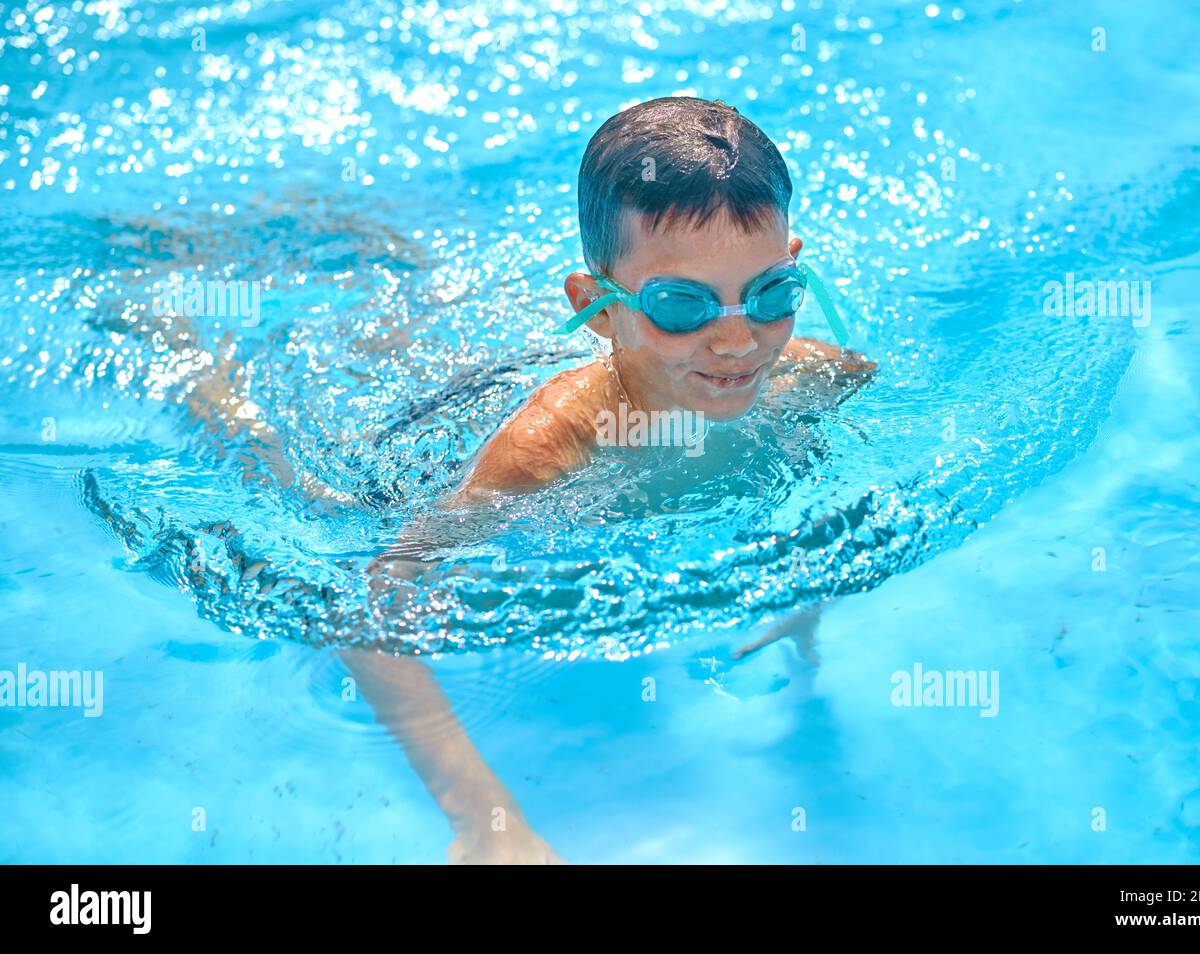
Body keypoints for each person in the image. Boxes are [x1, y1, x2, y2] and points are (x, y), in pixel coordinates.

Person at [151, 96, 876, 863]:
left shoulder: (818, 379)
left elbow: (820, 492)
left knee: (410, 313)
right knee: (278, 466)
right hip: (424, 429)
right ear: (597, 306)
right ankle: (181, 338)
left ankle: (365, 236)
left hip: (511, 374)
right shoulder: (544, 452)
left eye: (770, 294)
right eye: (679, 305)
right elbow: (368, 618)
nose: (737, 341)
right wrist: (482, 817)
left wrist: (803, 595)